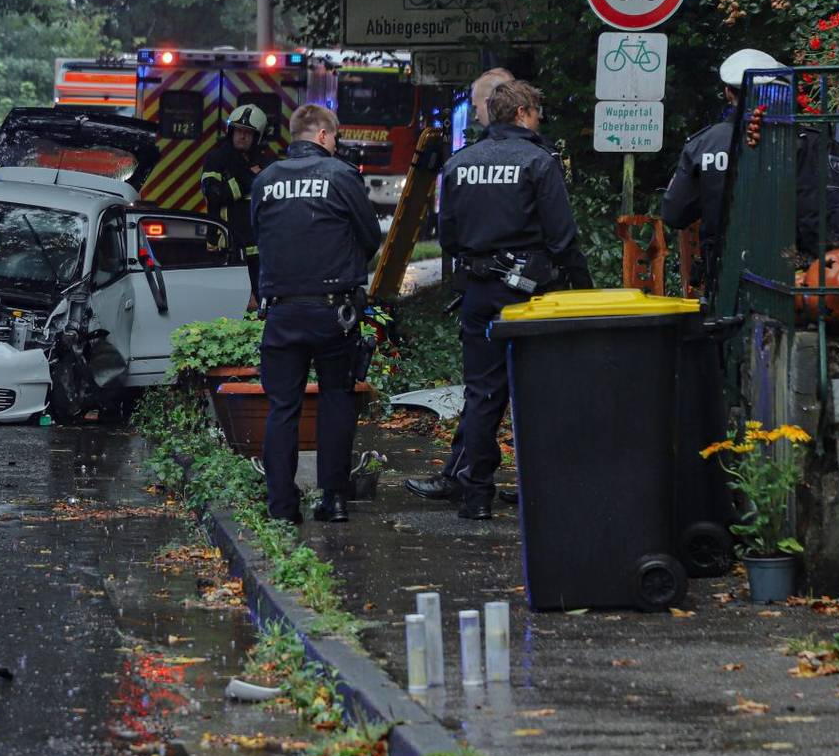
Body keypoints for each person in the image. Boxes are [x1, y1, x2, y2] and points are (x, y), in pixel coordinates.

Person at [411, 80, 590, 520]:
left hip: (478, 290)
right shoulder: (538, 161)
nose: (540, 119)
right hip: (531, 295)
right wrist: (583, 289)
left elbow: (447, 236)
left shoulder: (460, 162)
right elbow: (562, 237)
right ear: (523, 111)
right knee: (537, 391)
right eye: (538, 111)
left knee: (482, 393)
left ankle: (476, 495)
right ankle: (539, 489)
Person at [249, 102, 380, 525]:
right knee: (336, 402)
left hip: (283, 311)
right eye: (335, 137)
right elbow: (370, 237)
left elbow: (260, 234)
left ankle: (282, 507)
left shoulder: (265, 180)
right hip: (333, 312)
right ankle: (334, 501)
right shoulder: (342, 176)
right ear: (324, 135)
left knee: (282, 408)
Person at [661, 48, 839, 286]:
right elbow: (829, 228)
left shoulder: (703, 145)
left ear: (728, 92)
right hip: (798, 284)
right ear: (775, 90)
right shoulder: (814, 146)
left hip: (726, 281)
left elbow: (674, 214)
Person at [203, 104, 270, 297]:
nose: (242, 136)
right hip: (226, 244)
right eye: (239, 131)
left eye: (248, 133)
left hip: (259, 247)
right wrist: (247, 179)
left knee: (259, 302)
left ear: (257, 137)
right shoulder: (217, 159)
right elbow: (214, 195)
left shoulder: (266, 163)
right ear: (231, 131)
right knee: (229, 300)